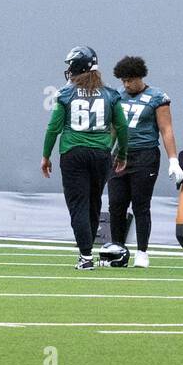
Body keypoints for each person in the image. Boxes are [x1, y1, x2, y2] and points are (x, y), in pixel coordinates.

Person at [41, 46, 129, 270]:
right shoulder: (110, 93)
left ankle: (85, 255)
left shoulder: (66, 93)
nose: (68, 70)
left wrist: (46, 155)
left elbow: (53, 128)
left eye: (71, 65)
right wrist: (122, 152)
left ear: (77, 67)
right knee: (94, 202)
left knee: (78, 205)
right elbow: (121, 126)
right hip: (101, 154)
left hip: (73, 153)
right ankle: (87, 252)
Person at [107, 56, 181, 269]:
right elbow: (113, 129)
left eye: (129, 80)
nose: (126, 84)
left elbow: (166, 130)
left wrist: (173, 160)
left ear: (140, 77)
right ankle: (118, 250)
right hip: (119, 156)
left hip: (145, 155)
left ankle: (142, 251)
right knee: (116, 205)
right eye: (123, 80)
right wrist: (105, 153)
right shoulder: (117, 96)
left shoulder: (156, 97)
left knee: (140, 205)